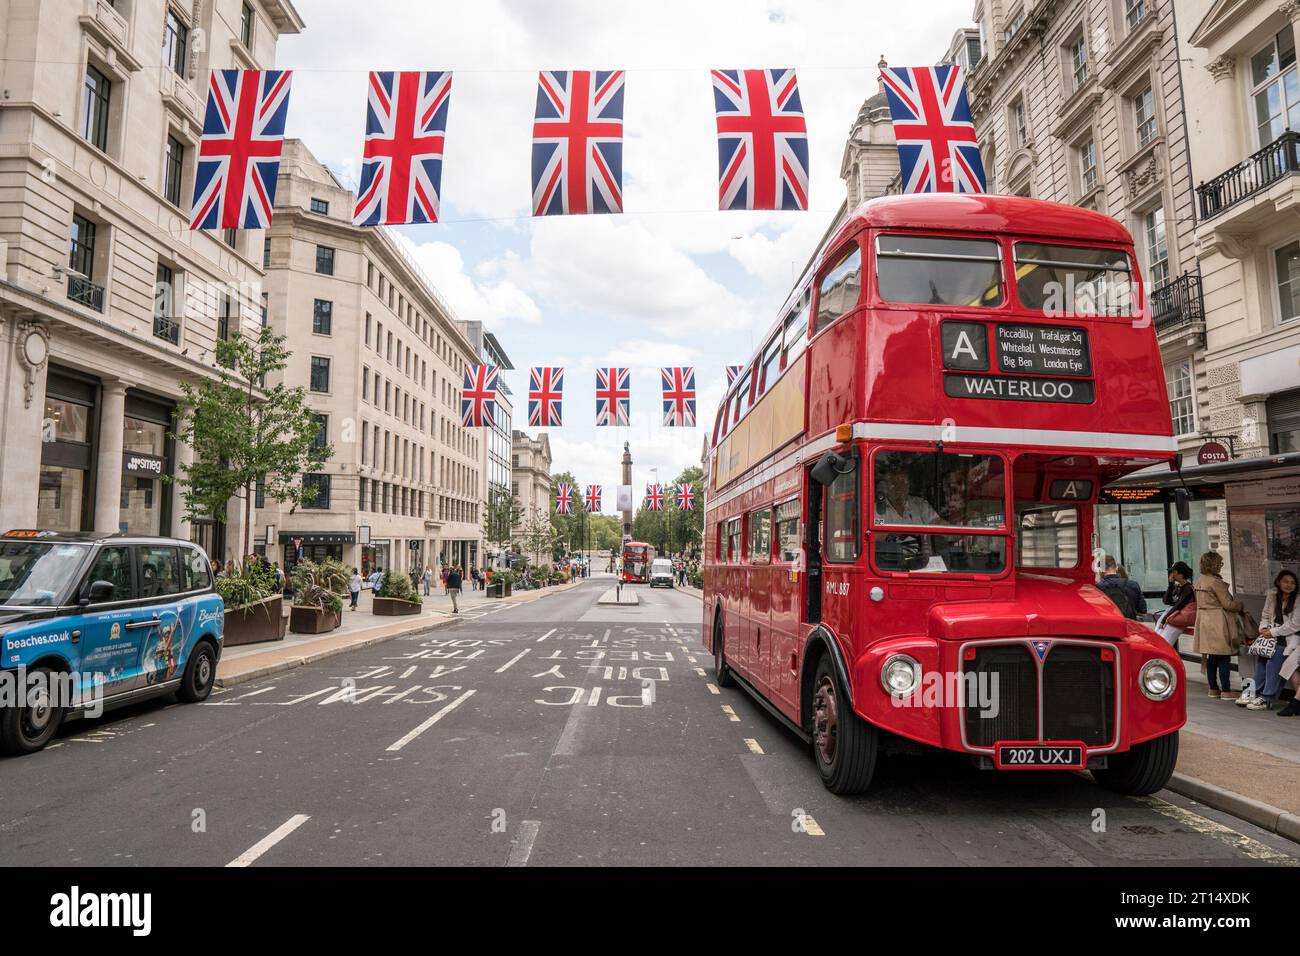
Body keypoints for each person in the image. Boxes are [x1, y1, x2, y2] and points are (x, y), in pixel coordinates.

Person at [1244, 570, 1300, 712]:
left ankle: (1267, 697)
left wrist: (1273, 632)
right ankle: (1254, 693)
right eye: (1286, 581)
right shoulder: (1272, 596)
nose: (1289, 585)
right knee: (1262, 662)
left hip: (1287, 640)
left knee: (1272, 664)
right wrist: (1263, 628)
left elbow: (1295, 624)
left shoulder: (1298, 600)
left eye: (1292, 583)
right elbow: (1265, 615)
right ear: (1279, 582)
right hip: (1269, 638)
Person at [1194, 550, 1244, 700]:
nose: (1221, 565)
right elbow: (1227, 604)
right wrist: (1239, 605)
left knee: (1211, 657)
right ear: (1214, 564)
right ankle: (1226, 690)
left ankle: (1213, 689)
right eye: (1220, 563)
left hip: (1203, 620)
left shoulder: (1200, 580)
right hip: (1217, 621)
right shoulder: (1216, 582)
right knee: (1223, 656)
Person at [875, 469, 940, 525]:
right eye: (894, 483)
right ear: (886, 486)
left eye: (903, 482)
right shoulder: (878, 509)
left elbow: (937, 522)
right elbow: (876, 532)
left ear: (908, 485)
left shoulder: (920, 504)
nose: (899, 487)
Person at [1155, 561, 1195, 646]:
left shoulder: (1188, 588)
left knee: (1165, 644)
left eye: (1173, 572)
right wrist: (1170, 585)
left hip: (1177, 619)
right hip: (1170, 616)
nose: (1171, 574)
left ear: (1180, 574)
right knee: (1156, 640)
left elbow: (1178, 606)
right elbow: (1166, 601)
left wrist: (1163, 620)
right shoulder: (1177, 587)